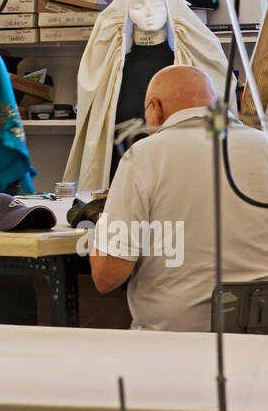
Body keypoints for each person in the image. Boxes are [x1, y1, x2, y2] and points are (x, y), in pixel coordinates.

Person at [90, 64, 268, 332]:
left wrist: (99, 226)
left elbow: (107, 276)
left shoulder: (145, 156)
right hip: (259, 341)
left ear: (154, 108)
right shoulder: (264, 146)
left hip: (175, 340)